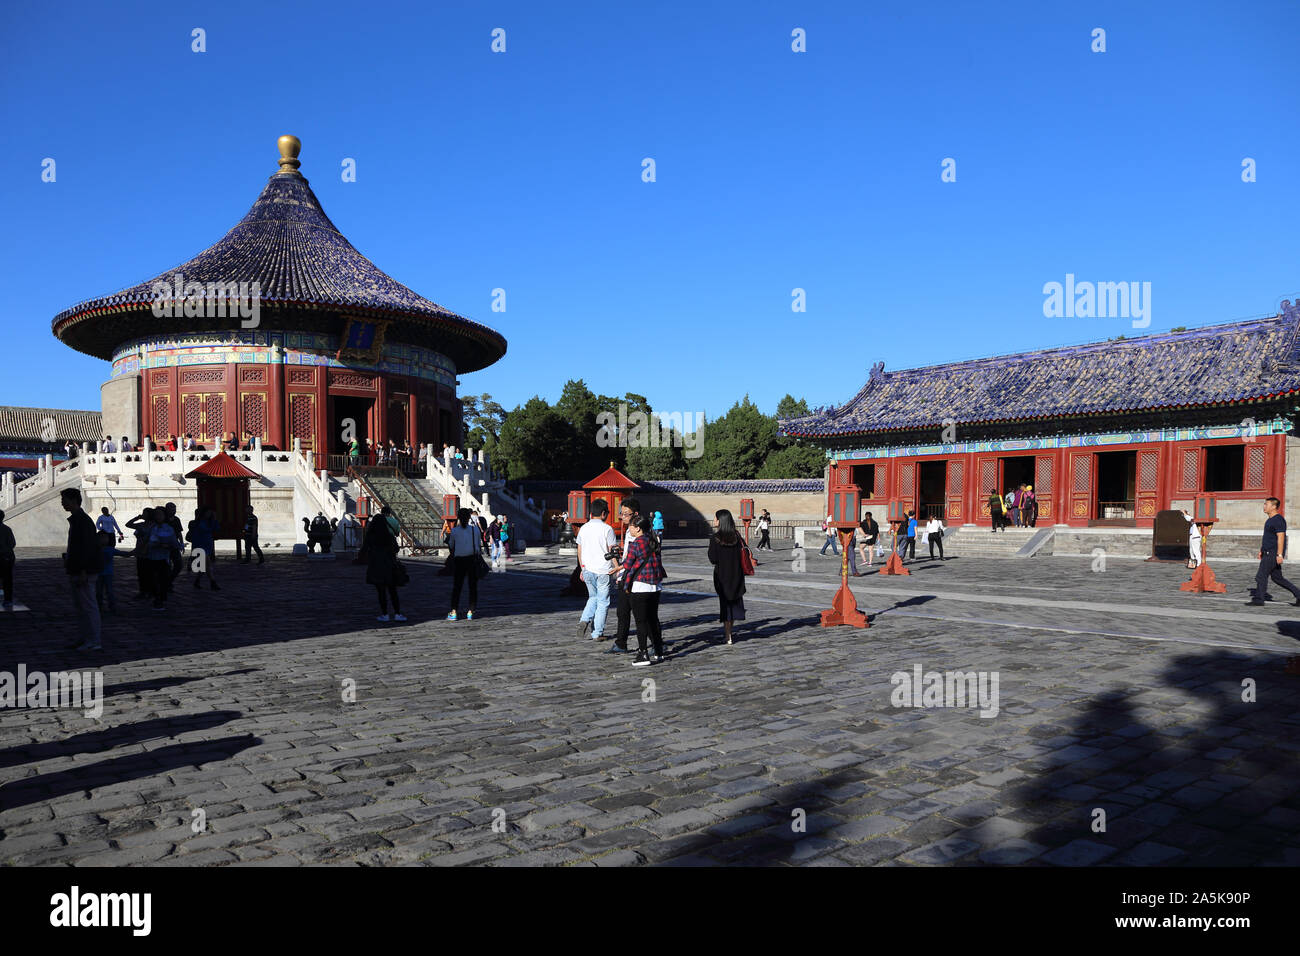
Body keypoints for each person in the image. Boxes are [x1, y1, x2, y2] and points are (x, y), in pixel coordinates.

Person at [622, 515, 666, 665]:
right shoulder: (654, 540)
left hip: (640, 585)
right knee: (653, 618)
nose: (629, 529)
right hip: (655, 584)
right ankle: (658, 650)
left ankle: (643, 653)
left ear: (638, 528)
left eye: (631, 527)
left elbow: (628, 565)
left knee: (641, 621)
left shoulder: (636, 543)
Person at [62, 488, 103, 649]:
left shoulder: (83, 521)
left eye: (64, 500)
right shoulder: (77, 519)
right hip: (76, 568)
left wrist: (83, 570)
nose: (63, 503)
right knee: (80, 606)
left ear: (73, 500)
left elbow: (87, 547)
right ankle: (85, 636)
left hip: (84, 571)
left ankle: (94, 640)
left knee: (88, 606)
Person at [576, 498, 618, 642]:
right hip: (603, 570)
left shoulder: (584, 528)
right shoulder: (607, 529)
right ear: (604, 513)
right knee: (603, 601)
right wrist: (617, 568)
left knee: (592, 597)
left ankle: (584, 619)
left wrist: (582, 568)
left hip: (587, 568)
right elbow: (612, 551)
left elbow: (579, 550)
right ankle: (597, 633)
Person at [1247, 497, 1300, 606]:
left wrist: (1279, 554)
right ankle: (1298, 595)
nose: (1264, 506)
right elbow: (1268, 538)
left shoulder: (1278, 520)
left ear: (1274, 506)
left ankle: (1258, 599)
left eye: (1266, 504)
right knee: (1278, 578)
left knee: (1261, 576)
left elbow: (1281, 537)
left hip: (1272, 553)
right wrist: (1261, 550)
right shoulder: (1270, 520)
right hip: (1268, 552)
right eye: (1264, 504)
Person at [609, 498, 643, 653]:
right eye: (621, 514)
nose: (622, 517)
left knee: (642, 615)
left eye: (626, 514)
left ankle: (656, 643)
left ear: (635, 514)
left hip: (636, 577)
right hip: (625, 576)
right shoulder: (628, 531)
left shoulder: (640, 532)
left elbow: (637, 557)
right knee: (622, 611)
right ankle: (621, 643)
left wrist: (620, 568)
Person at [708, 509, 746, 645]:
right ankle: (729, 633)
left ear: (720, 521)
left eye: (715, 518)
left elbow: (713, 558)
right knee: (733, 603)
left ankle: (728, 635)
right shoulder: (737, 536)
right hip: (737, 575)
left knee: (725, 605)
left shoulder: (715, 538)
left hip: (722, 576)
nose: (714, 520)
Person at [361, 510, 406, 622]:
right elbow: (396, 549)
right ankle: (397, 613)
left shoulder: (370, 537)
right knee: (393, 591)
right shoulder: (388, 536)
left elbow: (363, 551)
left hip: (376, 566)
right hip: (389, 565)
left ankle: (385, 614)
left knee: (381, 592)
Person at [446, 507, 480, 621]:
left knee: (457, 587)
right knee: (472, 586)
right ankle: (470, 611)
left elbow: (451, 545)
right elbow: (478, 546)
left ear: (459, 518)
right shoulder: (475, 530)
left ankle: (454, 611)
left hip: (459, 560)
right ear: (469, 517)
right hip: (472, 559)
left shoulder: (455, 531)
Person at [145, 507, 180, 610]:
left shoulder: (169, 528)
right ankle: (157, 597)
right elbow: (147, 540)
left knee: (163, 579)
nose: (158, 516)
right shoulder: (152, 527)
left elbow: (174, 542)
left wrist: (170, 545)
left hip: (164, 557)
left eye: (160, 514)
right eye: (156, 514)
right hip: (152, 557)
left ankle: (160, 598)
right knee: (153, 579)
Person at [96, 530, 134, 613]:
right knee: (99, 592)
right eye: (102, 538)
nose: (104, 540)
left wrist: (134, 552)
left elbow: (124, 554)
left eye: (106, 538)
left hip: (108, 574)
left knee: (109, 591)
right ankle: (99, 607)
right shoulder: (94, 550)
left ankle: (111, 607)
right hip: (98, 574)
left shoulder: (110, 549)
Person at [189, 508, 221, 590]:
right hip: (200, 545)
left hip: (207, 545)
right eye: (208, 513)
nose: (209, 515)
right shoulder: (199, 523)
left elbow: (217, 528)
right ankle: (213, 582)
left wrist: (214, 520)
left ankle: (197, 581)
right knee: (208, 564)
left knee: (203, 567)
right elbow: (206, 530)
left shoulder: (209, 522)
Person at [126, 508, 154, 599]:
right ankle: (143, 591)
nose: (143, 515)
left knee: (149, 573)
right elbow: (128, 524)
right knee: (141, 573)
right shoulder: (141, 524)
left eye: (145, 513)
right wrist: (137, 518)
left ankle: (150, 590)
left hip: (149, 551)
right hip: (140, 551)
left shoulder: (153, 525)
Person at [164, 502, 185, 580]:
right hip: (164, 545)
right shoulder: (163, 519)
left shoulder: (176, 519)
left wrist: (182, 543)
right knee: (166, 565)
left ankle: (170, 580)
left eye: (174, 509)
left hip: (174, 544)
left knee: (179, 565)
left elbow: (179, 532)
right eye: (171, 509)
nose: (173, 511)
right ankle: (167, 582)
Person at [0, 510, 15, 609]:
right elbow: (12, 543)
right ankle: (8, 600)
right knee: (7, 580)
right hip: (6, 557)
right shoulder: (7, 529)